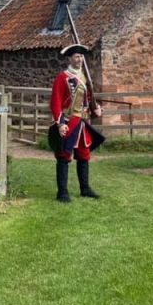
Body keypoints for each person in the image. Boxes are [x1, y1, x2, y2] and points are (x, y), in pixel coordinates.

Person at [49, 44, 105, 202]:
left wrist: (96, 111)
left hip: (82, 122)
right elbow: (56, 102)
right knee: (64, 155)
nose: (79, 59)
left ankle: (85, 188)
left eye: (81, 56)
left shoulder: (84, 77)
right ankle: (62, 192)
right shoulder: (63, 77)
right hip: (68, 121)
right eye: (76, 56)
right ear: (70, 59)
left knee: (84, 155)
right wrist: (60, 123)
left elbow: (87, 101)